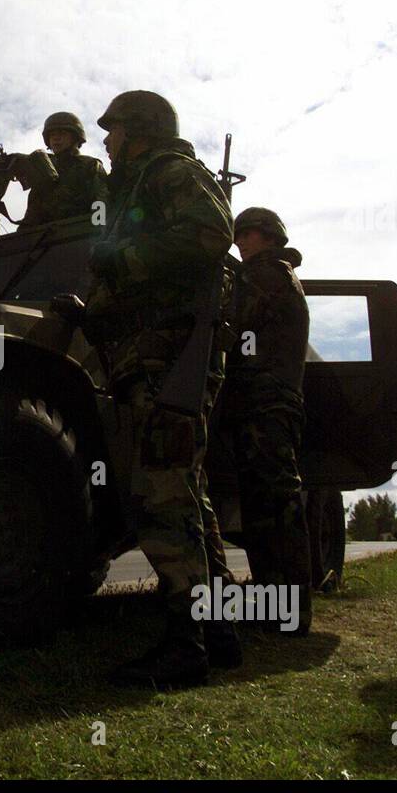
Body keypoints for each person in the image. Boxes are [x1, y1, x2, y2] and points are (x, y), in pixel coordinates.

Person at [83, 90, 238, 687]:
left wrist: (125, 263)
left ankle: (186, 645)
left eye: (114, 128)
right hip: (152, 356)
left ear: (140, 129)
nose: (107, 139)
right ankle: (216, 630)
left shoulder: (171, 171)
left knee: (159, 494)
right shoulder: (134, 185)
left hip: (168, 357)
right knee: (185, 490)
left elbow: (210, 232)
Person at [219, 206, 312, 634]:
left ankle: (290, 611)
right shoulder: (261, 274)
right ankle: (274, 604)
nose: (241, 241)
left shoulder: (269, 275)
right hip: (258, 406)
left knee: (277, 506)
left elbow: (233, 321)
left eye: (248, 234)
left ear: (270, 235)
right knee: (261, 511)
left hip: (268, 407)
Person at [15, 112, 109, 228]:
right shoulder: (43, 171)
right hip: (46, 240)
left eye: (62, 133)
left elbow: (101, 202)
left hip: (81, 235)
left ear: (75, 137)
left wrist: (98, 231)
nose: (55, 138)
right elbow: (32, 216)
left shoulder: (89, 165)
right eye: (52, 135)